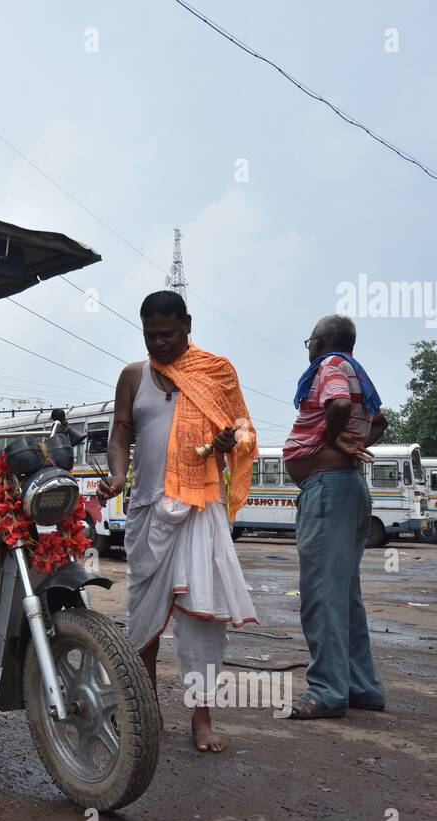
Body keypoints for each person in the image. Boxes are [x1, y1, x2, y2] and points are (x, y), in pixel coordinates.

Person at [97, 291, 258, 753]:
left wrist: (230, 441)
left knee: (202, 620)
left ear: (188, 325)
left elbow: (244, 428)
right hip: (149, 510)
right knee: (142, 616)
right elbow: (121, 432)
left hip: (200, 510)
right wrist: (117, 476)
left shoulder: (216, 371)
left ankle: (201, 719)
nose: (159, 343)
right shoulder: (133, 376)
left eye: (168, 334)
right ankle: (146, 710)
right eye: (150, 335)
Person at [283, 315, 388, 718]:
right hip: (344, 486)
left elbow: (340, 403)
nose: (308, 347)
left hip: (328, 489)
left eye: (310, 340)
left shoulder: (329, 366)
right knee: (344, 594)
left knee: (322, 594)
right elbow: (378, 420)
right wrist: (352, 441)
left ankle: (327, 691)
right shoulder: (356, 370)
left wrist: (329, 439)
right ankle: (361, 686)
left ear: (320, 341)